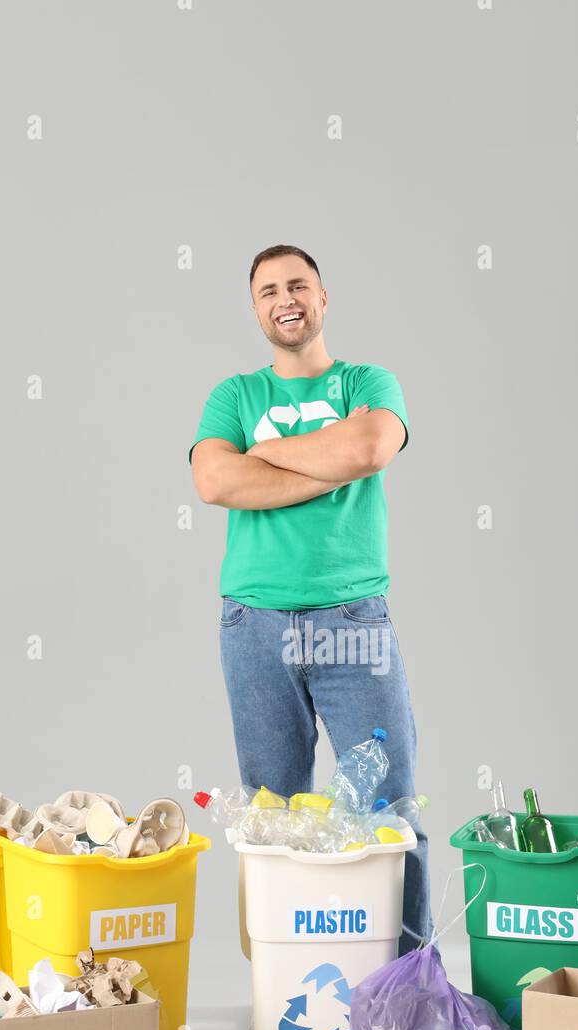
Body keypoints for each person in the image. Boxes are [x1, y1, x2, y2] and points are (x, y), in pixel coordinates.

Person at [190, 244, 430, 950]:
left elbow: (370, 448)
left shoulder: (367, 381)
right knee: (272, 812)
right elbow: (213, 483)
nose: (284, 298)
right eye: (268, 290)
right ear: (256, 309)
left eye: (298, 285)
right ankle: (287, 972)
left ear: (323, 299)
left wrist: (259, 455)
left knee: (389, 806)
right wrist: (329, 457)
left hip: (349, 617)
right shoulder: (235, 395)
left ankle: (408, 982)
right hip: (252, 622)